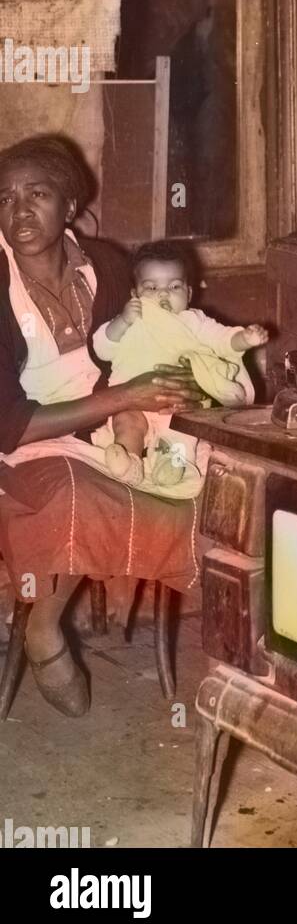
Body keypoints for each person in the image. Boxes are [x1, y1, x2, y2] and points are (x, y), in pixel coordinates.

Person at [0, 135, 203, 717]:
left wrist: (175, 381)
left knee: (198, 479)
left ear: (69, 206)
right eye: (6, 198)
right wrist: (125, 396)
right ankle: (43, 628)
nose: (19, 212)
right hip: (23, 447)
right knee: (74, 494)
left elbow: (158, 341)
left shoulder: (108, 267)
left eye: (37, 194)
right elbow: (8, 425)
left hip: (110, 429)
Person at [91, 240, 267, 486]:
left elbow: (221, 340)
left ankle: (172, 465)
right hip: (131, 403)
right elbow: (101, 347)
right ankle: (129, 462)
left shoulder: (194, 322)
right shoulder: (131, 321)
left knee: (183, 430)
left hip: (176, 405)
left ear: (189, 293)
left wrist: (244, 338)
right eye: (151, 288)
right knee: (127, 424)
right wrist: (122, 320)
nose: (163, 294)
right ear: (135, 295)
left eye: (174, 286)